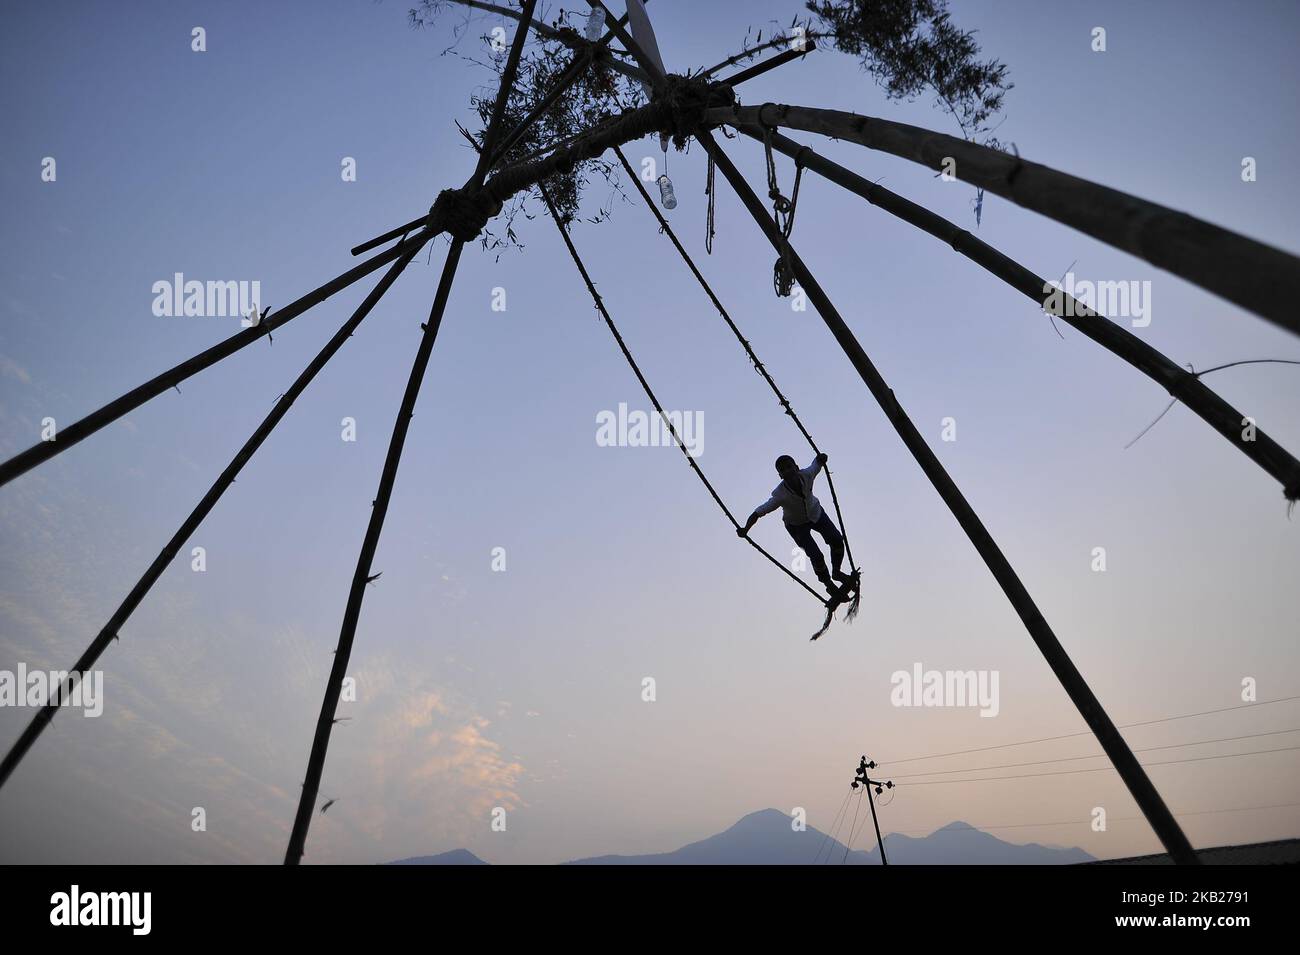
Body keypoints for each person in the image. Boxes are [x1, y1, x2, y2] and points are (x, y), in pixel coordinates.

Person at [737, 452, 851, 596]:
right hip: (796, 526)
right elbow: (759, 512)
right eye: (783, 470)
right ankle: (828, 584)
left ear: (796, 467)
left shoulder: (808, 475)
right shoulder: (779, 495)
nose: (787, 472)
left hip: (816, 513)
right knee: (816, 556)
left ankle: (837, 572)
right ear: (780, 476)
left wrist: (823, 458)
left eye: (789, 467)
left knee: (837, 540)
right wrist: (745, 529)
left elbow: (816, 463)